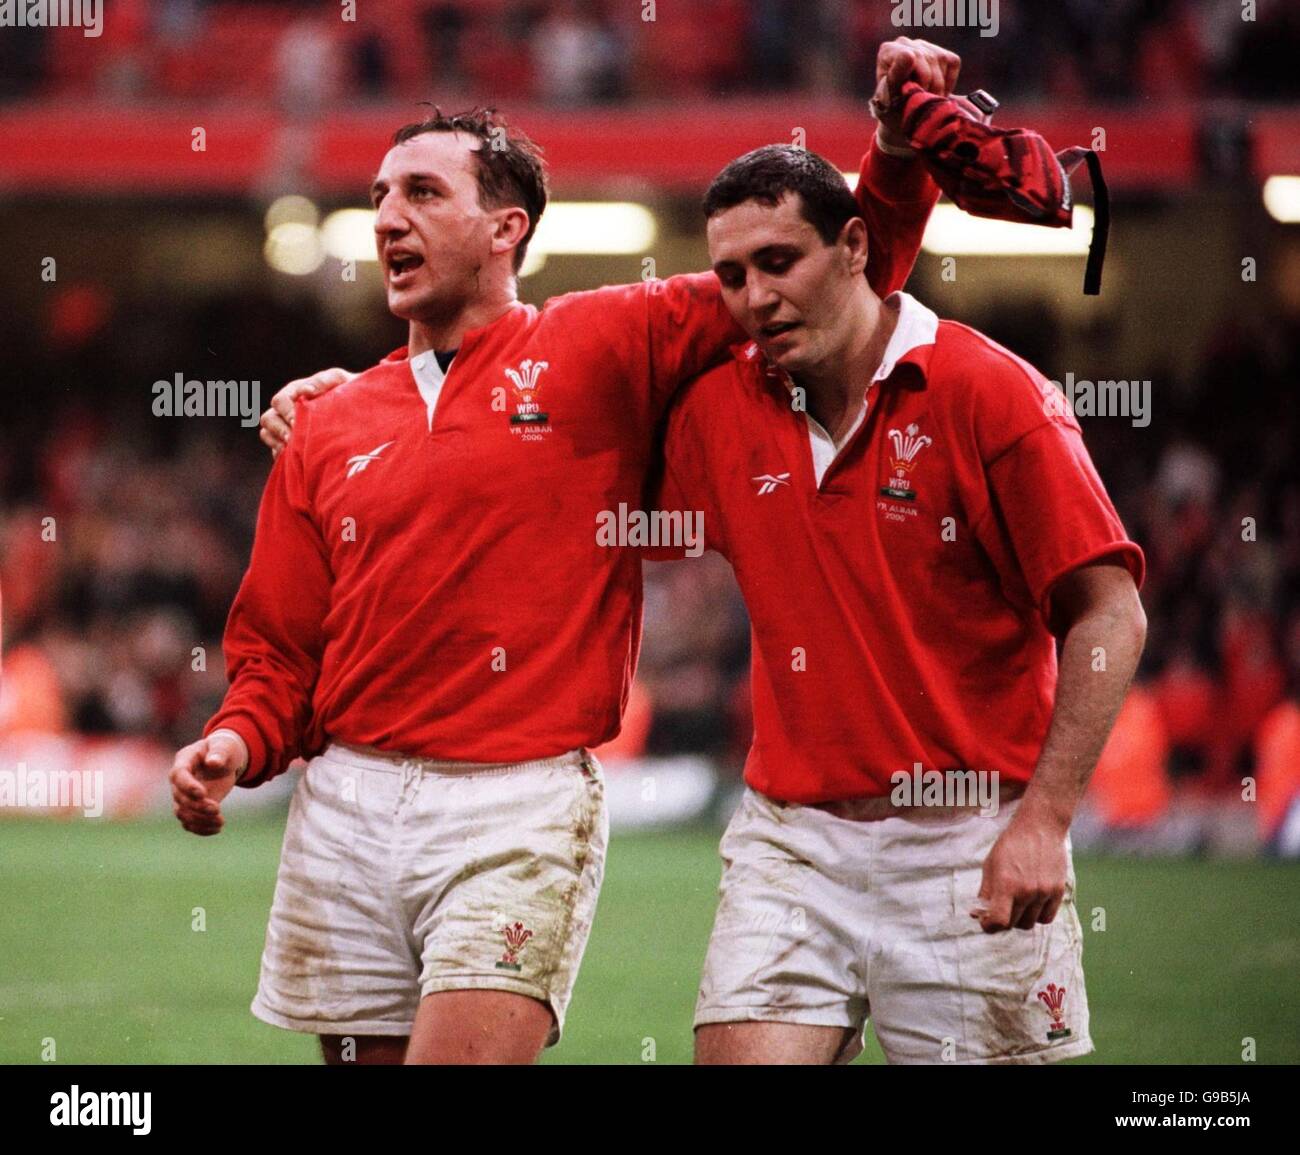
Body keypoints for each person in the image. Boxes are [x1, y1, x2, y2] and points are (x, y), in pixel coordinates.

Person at [171, 39, 963, 1065]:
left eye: (420, 191)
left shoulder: (606, 341)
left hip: (516, 800)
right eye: (379, 195)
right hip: (345, 805)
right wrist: (233, 743)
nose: (386, 218)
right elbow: (280, 648)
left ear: (507, 228)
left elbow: (825, 284)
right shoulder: (324, 421)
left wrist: (898, 155)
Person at [647, 142, 1147, 1064]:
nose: (754, 296)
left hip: (973, 837)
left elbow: (1109, 612)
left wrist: (1044, 819)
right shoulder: (718, 412)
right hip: (791, 843)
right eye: (730, 274)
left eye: (777, 261)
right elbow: (545, 459)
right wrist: (338, 405)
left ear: (852, 247)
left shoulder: (992, 394)